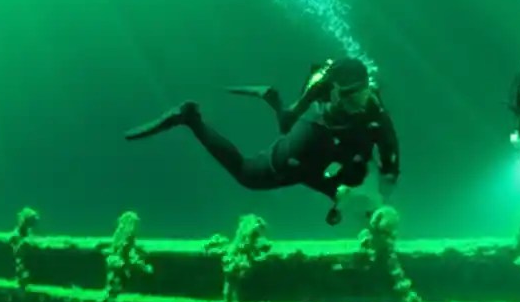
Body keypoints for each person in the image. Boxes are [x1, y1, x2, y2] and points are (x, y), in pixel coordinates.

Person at [124, 57, 400, 225]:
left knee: (355, 166)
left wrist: (381, 193)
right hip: (312, 139)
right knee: (248, 175)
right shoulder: (314, 122)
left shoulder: (376, 112)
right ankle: (190, 118)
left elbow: (390, 154)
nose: (358, 103)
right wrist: (333, 193)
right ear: (336, 94)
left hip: (337, 143)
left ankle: (272, 98)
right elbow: (304, 170)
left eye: (363, 94)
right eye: (350, 96)